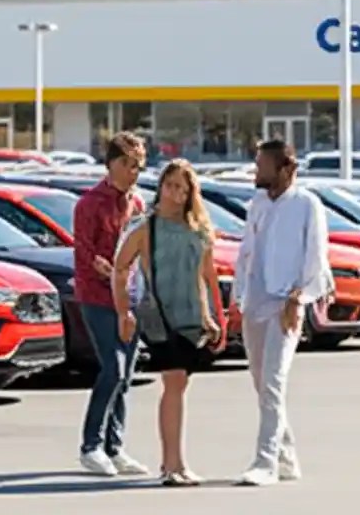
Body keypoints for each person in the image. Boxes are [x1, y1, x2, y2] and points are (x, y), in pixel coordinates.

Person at [112, 159, 227, 486]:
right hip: (159, 317)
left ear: (191, 193)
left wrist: (213, 317)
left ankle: (173, 463)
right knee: (174, 382)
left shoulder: (199, 230)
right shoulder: (145, 227)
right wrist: (124, 311)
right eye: (170, 185)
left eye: (182, 188)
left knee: (179, 385)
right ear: (160, 186)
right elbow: (121, 268)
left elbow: (206, 276)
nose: (175, 194)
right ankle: (172, 464)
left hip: (190, 317)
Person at [232, 139, 334, 487]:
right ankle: (287, 457)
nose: (255, 170)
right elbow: (247, 252)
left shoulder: (308, 204)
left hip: (286, 306)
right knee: (262, 386)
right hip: (254, 305)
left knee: (274, 384)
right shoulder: (257, 203)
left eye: (262, 164)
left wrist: (299, 298)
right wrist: (238, 299)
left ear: (286, 169)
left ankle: (266, 463)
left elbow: (317, 257)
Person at [73, 132, 149, 477]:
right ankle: (91, 445)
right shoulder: (89, 204)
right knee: (113, 368)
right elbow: (85, 252)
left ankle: (114, 447)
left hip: (130, 297)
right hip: (98, 298)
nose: (135, 172)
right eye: (129, 165)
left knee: (127, 375)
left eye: (139, 166)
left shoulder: (137, 204)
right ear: (113, 164)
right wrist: (108, 269)